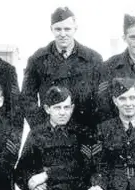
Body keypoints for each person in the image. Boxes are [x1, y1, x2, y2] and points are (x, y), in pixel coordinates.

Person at [21, 6, 103, 138]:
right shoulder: (38, 59)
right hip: (50, 133)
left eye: (67, 29)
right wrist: (40, 126)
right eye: (58, 29)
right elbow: (26, 97)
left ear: (75, 28)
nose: (63, 34)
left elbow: (101, 98)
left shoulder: (93, 59)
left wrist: (92, 128)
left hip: (83, 132)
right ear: (51, 29)